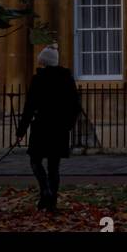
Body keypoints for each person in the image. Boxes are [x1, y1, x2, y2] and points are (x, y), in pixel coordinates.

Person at [16, 45, 81, 212]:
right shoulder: (67, 79)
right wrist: (68, 125)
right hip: (60, 128)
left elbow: (29, 107)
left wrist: (20, 131)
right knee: (54, 166)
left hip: (42, 126)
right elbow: (75, 106)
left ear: (44, 61)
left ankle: (45, 190)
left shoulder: (39, 79)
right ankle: (51, 202)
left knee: (35, 160)